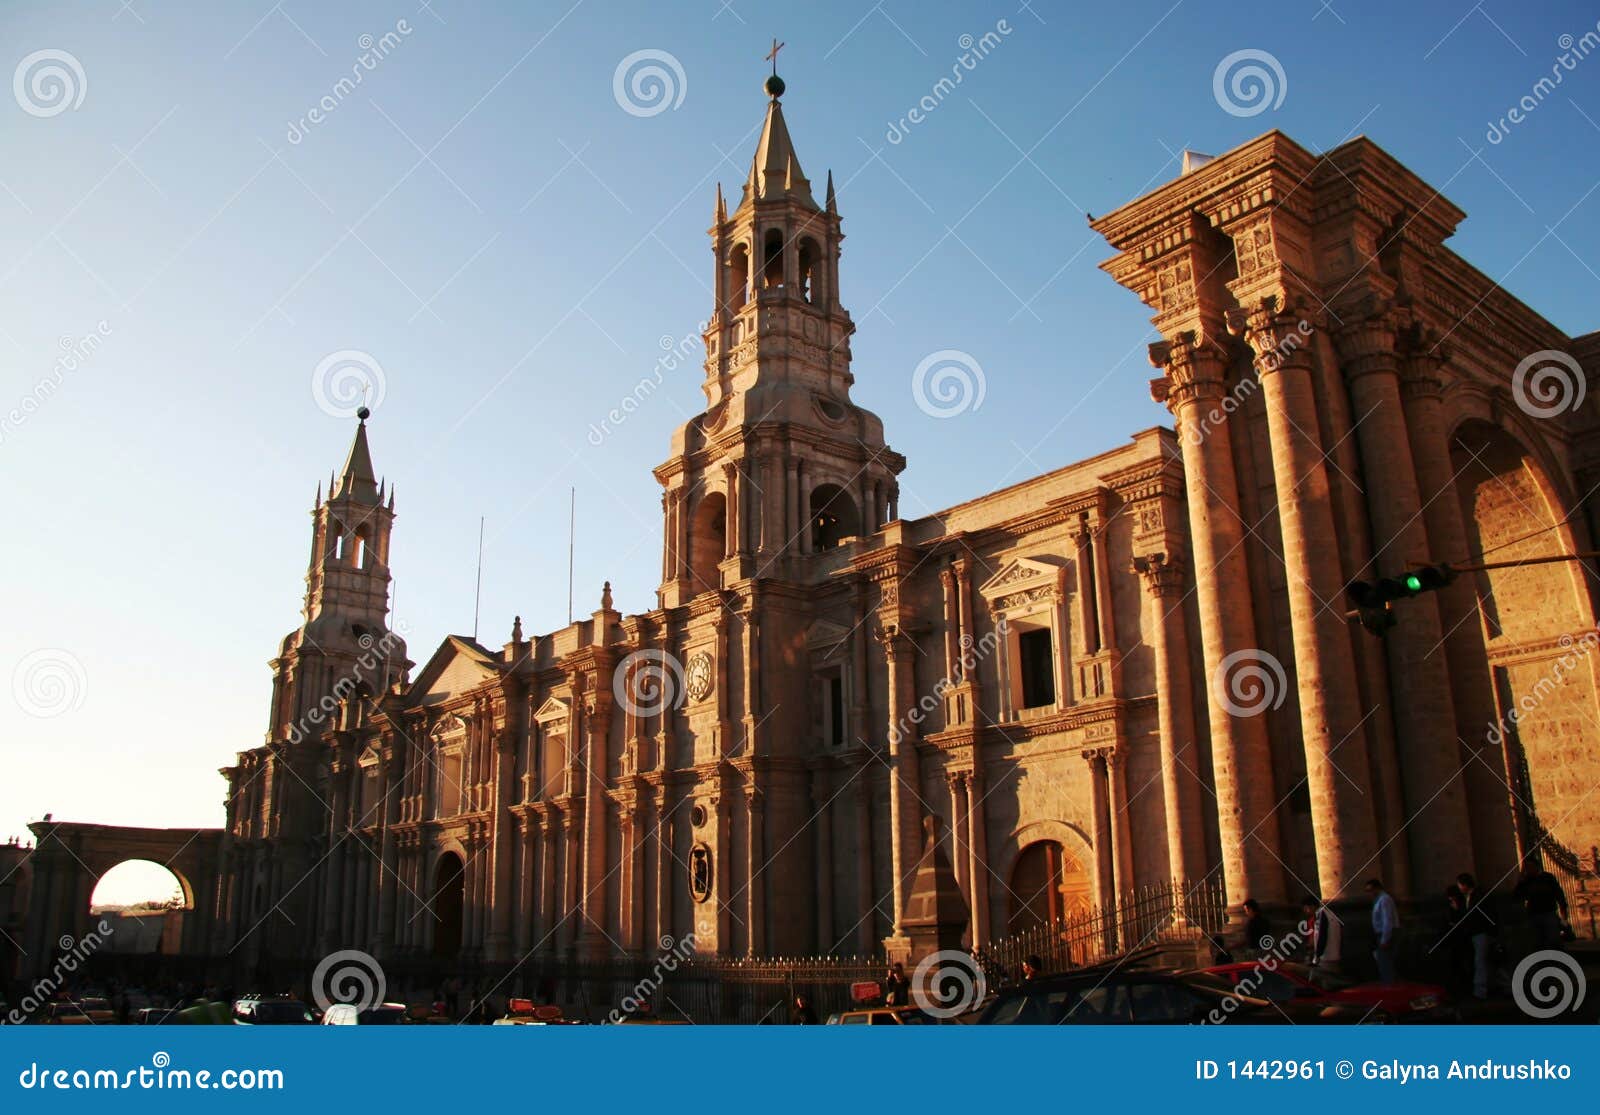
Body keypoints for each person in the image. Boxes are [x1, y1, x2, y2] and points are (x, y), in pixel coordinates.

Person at [1456, 873, 1496, 999]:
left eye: (1460, 885)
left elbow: (1478, 915)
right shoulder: (1467, 897)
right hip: (1474, 933)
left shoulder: (1478, 896)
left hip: (1481, 932)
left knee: (1481, 960)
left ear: (1464, 884)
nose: (1459, 888)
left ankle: (1480, 990)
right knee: (1483, 960)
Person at [1513, 861, 1569, 948]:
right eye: (1527, 868)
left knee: (1552, 940)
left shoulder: (1548, 877)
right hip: (1533, 914)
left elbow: (1558, 893)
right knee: (1537, 942)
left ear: (1537, 866)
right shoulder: (1527, 880)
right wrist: (1520, 881)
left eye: (1530, 867)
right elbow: (1517, 896)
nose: (1529, 870)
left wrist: (1563, 909)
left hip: (1548, 912)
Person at [1367, 878, 1400, 984]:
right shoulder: (1378, 900)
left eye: (1370, 890)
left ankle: (1389, 985)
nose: (1369, 893)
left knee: (1385, 964)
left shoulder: (1384, 899)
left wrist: (1384, 940)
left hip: (1386, 935)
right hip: (1381, 934)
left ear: (1377, 888)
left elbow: (1387, 920)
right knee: (1383, 963)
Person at [1302, 895, 1342, 975]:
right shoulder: (1329, 914)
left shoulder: (1321, 916)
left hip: (1327, 956)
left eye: (1306, 908)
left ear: (1312, 906)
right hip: (1334, 954)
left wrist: (1317, 956)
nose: (1305, 911)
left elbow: (1321, 936)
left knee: (1328, 981)